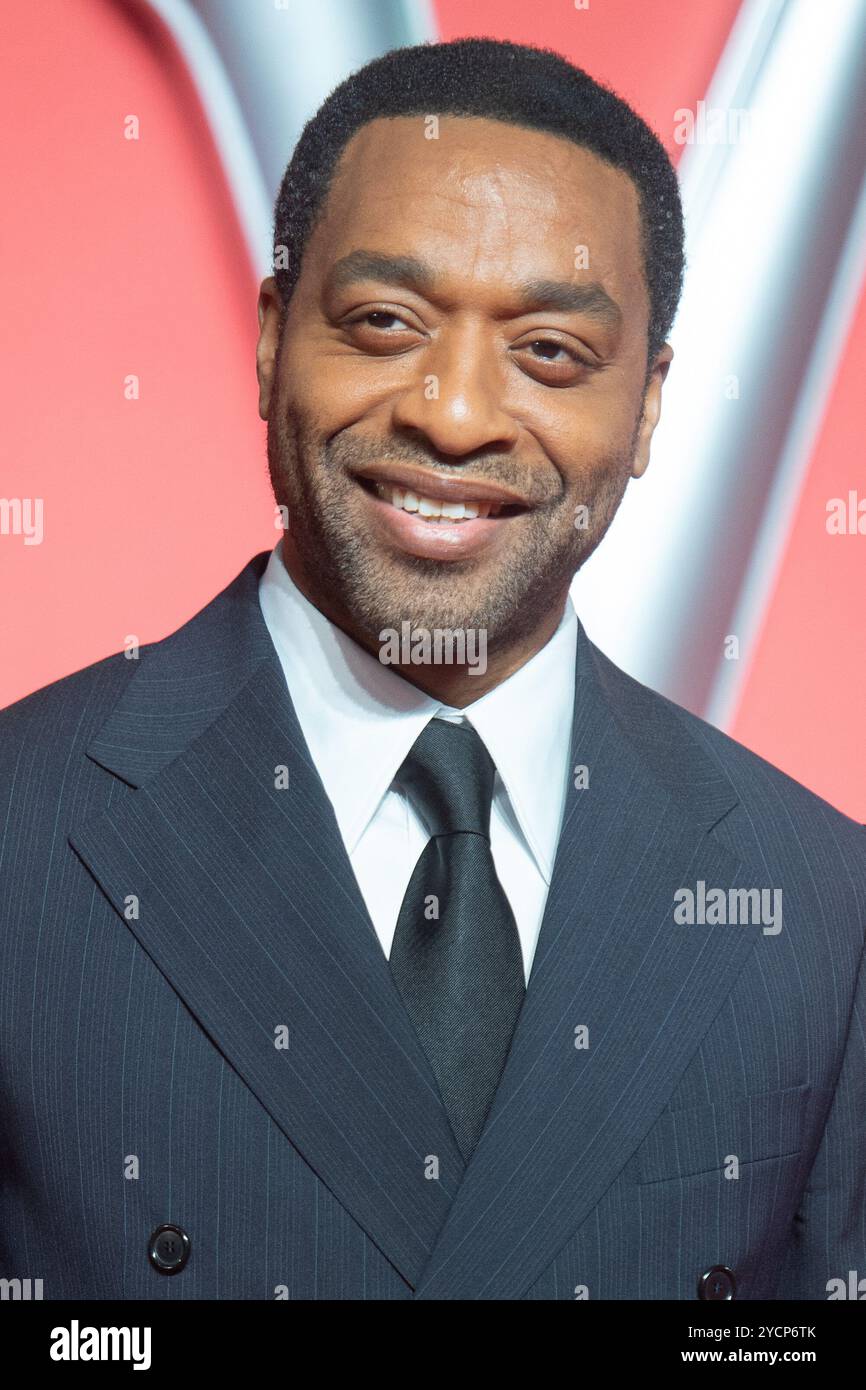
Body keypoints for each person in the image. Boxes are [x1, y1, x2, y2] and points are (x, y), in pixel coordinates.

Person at [1, 37, 864, 1303]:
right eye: (384, 323)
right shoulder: (26, 827)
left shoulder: (817, 907)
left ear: (645, 409)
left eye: (551, 354)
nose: (452, 414)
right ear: (268, 339)